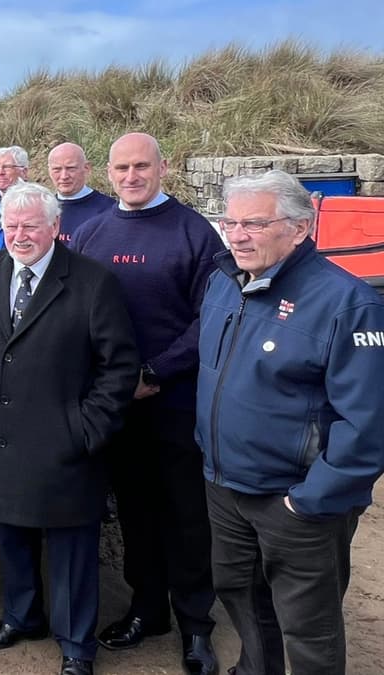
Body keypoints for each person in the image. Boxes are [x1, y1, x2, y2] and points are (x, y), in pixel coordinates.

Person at [197, 170, 384, 675]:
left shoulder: (349, 304)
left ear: (300, 228)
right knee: (242, 599)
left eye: (254, 223)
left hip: (296, 502)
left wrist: (308, 502)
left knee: (308, 627)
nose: (237, 234)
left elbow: (368, 425)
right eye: (230, 221)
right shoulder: (222, 282)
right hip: (225, 486)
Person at [0, 181, 139, 675]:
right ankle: (21, 617)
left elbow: (118, 368)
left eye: (31, 225)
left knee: (72, 550)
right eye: (11, 226)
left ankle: (77, 646)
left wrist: (85, 428)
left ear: (55, 227)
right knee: (10, 534)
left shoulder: (91, 281)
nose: (20, 235)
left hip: (64, 443)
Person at [72, 132, 224, 674]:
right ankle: (147, 608)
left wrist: (156, 371)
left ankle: (196, 626)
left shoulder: (194, 233)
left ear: (163, 168)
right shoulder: (91, 232)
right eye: (121, 168)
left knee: (186, 515)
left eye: (142, 166)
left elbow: (213, 317)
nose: (131, 177)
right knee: (135, 512)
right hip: (117, 404)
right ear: (107, 173)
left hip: (175, 400)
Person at [48, 142, 114, 244]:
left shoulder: (109, 210)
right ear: (49, 171)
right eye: (57, 169)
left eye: (71, 168)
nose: (64, 176)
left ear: (86, 168)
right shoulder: (42, 209)